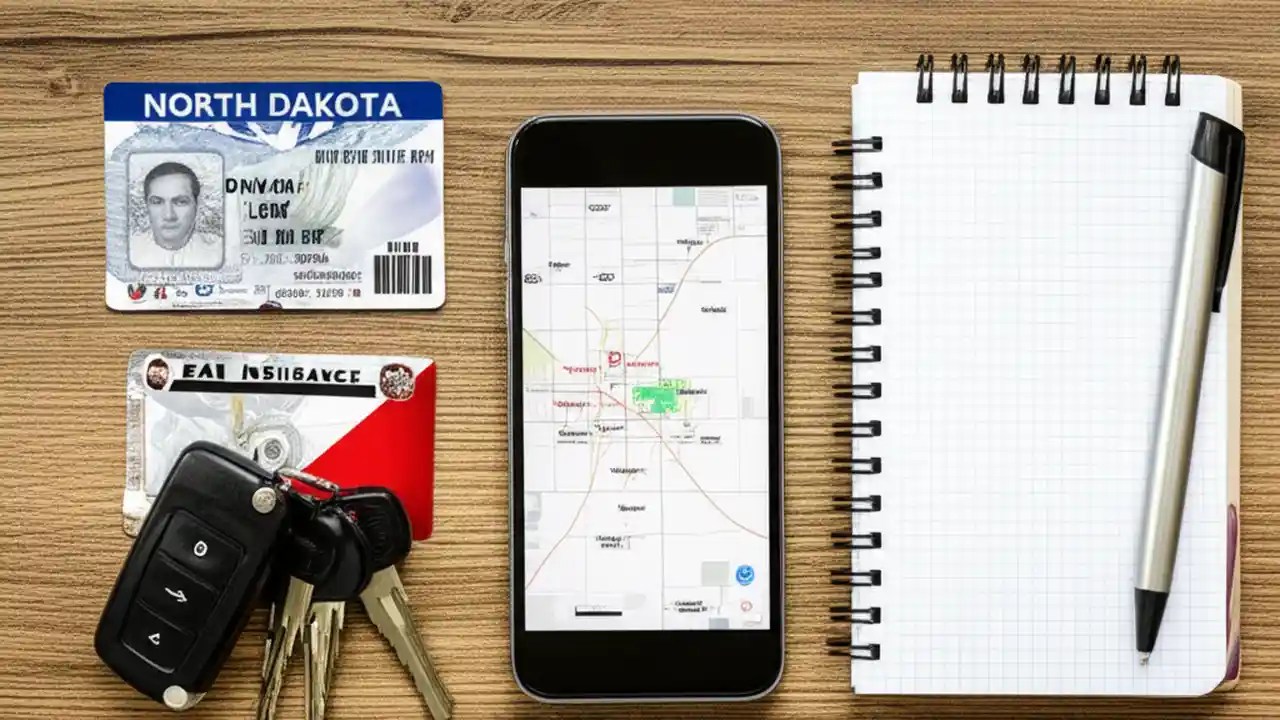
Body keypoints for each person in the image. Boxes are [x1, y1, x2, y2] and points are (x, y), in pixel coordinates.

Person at [129, 161, 223, 269]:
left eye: (181, 202)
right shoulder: (129, 251)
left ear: (198, 204)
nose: (169, 216)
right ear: (146, 205)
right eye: (157, 202)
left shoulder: (219, 253)